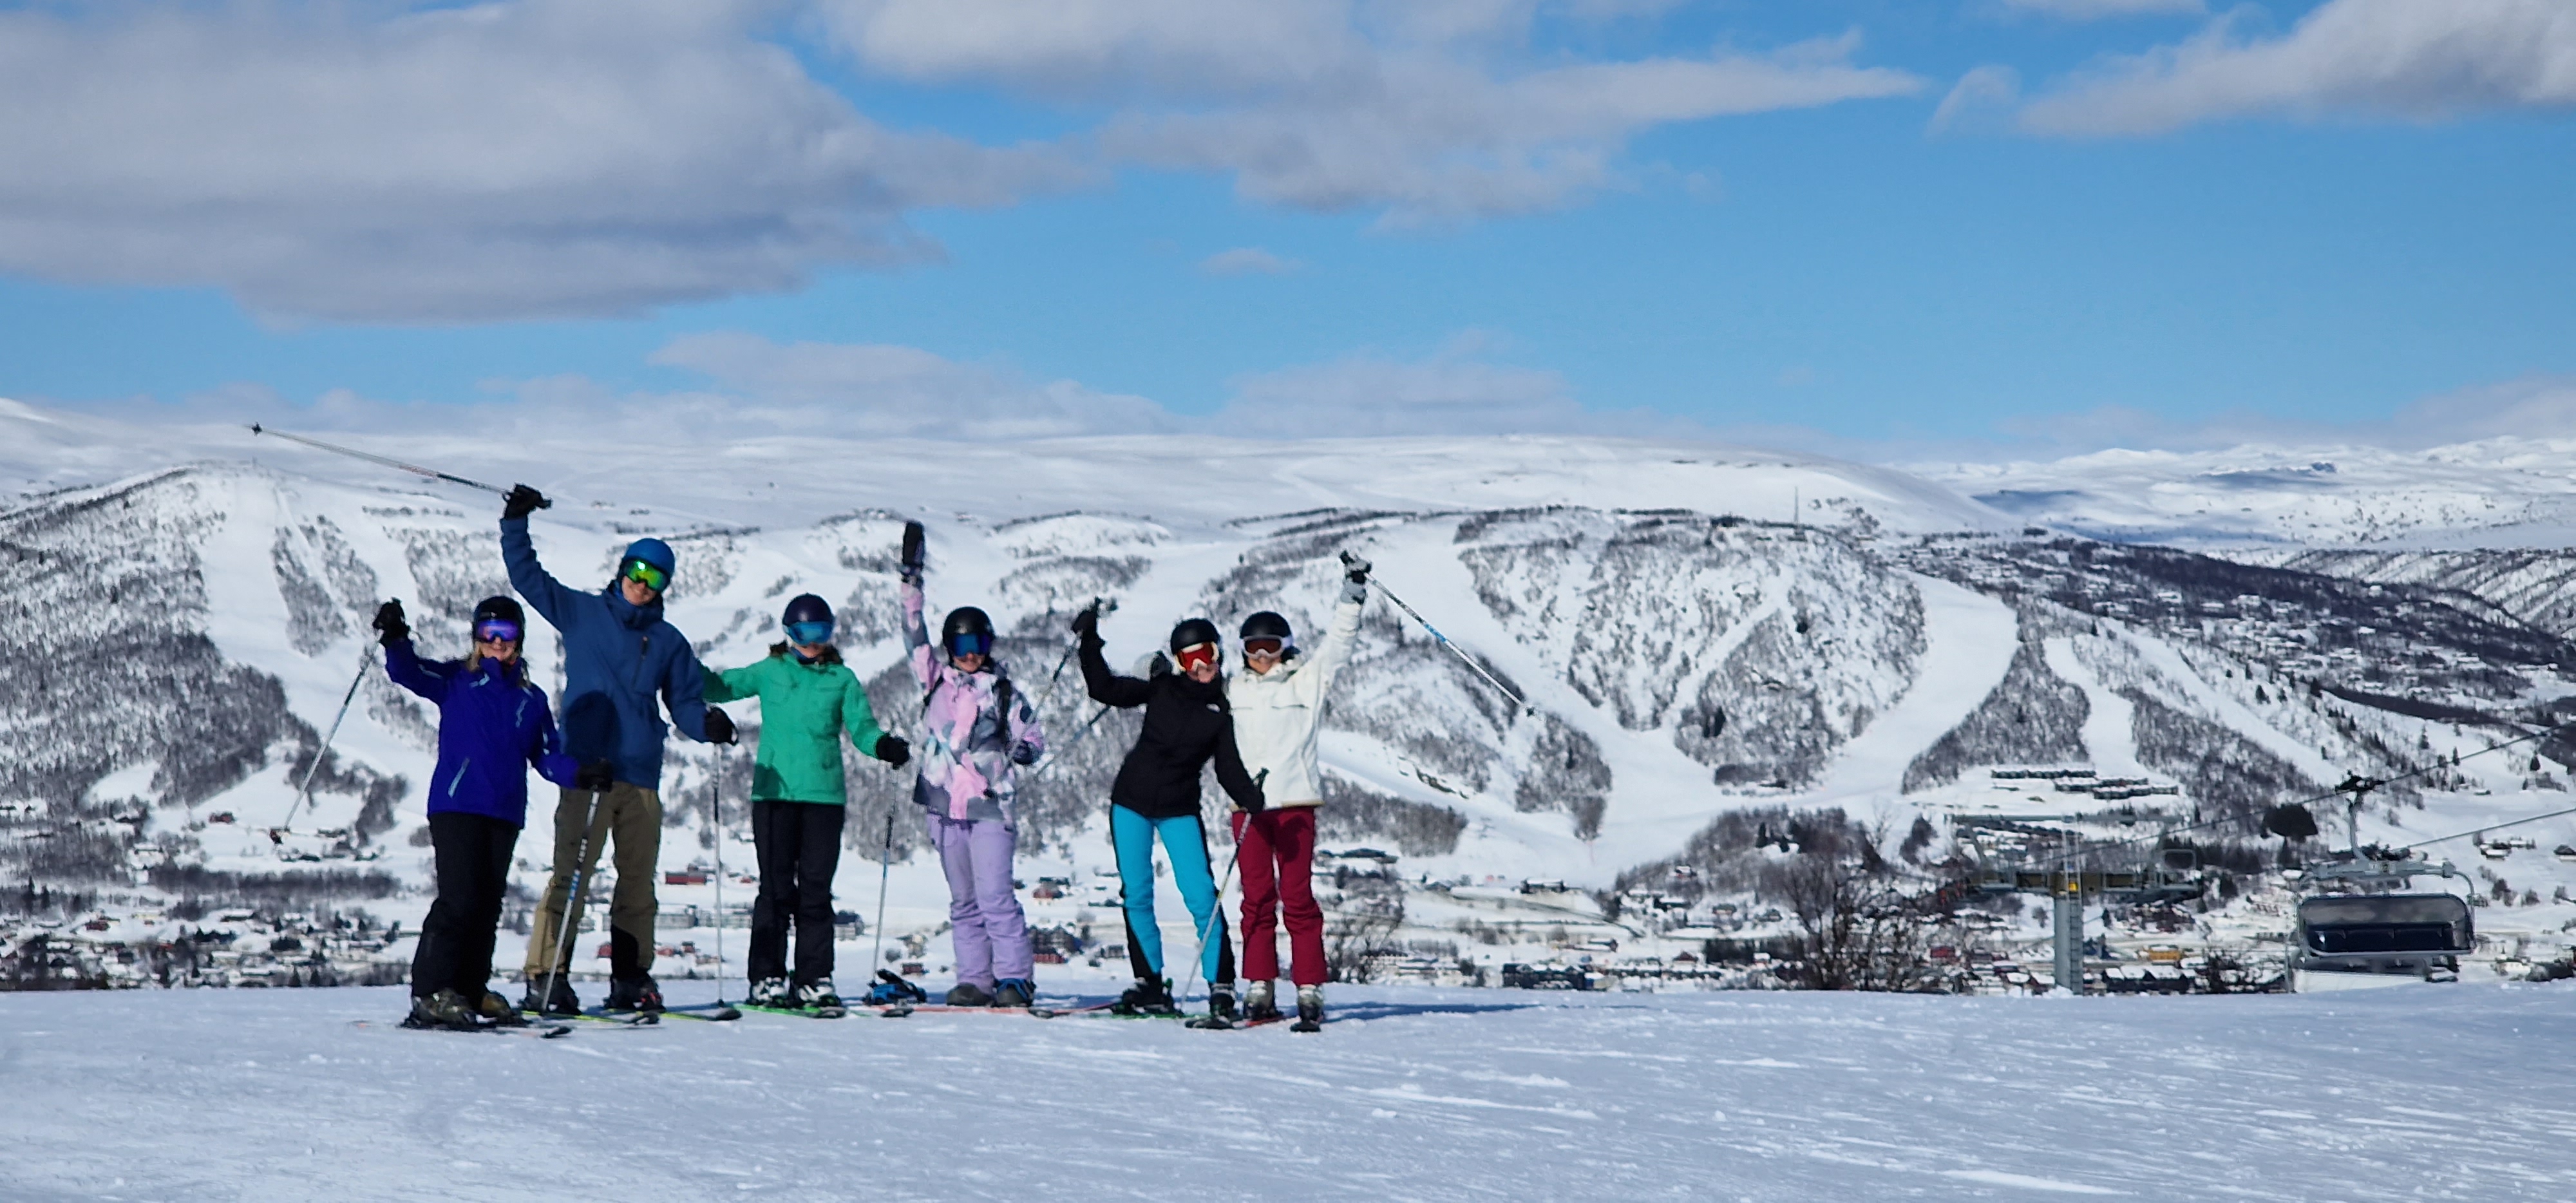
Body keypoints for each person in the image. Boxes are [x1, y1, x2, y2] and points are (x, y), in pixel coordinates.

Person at [498, 484, 732, 1016]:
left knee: (636, 886)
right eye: (638, 572)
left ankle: (632, 978)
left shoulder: (670, 642)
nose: (643, 585)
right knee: (572, 878)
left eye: (656, 578)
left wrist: (709, 726)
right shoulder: (582, 613)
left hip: (641, 777)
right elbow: (526, 577)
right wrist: (515, 522)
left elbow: (686, 704)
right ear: (623, 569)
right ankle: (546, 977)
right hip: (588, 772)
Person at [375, 594, 603, 1030]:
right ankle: (432, 992)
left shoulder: (530, 699)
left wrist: (583, 775)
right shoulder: (456, 681)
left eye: (507, 635)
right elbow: (407, 671)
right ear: (476, 637)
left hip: (504, 811)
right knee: (458, 901)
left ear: (520, 640)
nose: (498, 643)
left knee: (486, 906)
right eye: (489, 634)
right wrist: (396, 637)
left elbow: (547, 756)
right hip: (457, 805)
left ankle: (471, 987)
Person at [702, 594, 911, 1011]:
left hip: (823, 796)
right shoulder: (770, 671)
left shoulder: (842, 678)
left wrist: (884, 745)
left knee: (815, 891)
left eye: (820, 632)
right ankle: (767, 977)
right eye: (804, 633)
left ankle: (814, 977)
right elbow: (724, 686)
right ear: (789, 633)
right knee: (776, 889)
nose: (812, 641)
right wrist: (683, 670)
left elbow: (863, 729)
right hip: (774, 794)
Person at [1076, 605, 1267, 1018]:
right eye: (1189, 657)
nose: (1201, 665)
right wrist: (1089, 640)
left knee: (1201, 896)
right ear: (1179, 663)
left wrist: (1250, 796)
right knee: (1137, 894)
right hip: (1131, 802)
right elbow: (1103, 688)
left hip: (1180, 809)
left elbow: (1228, 768)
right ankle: (1150, 983)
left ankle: (1221, 984)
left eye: (1207, 654)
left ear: (1219, 655)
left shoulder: (1221, 711)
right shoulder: (1161, 688)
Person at [896, 522, 1048, 1007]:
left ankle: (1014, 978)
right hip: (943, 809)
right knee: (963, 902)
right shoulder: (934, 681)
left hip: (989, 809)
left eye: (978, 647)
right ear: (950, 650)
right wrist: (910, 580)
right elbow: (912, 631)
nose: (970, 657)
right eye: (962, 649)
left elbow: (1034, 737)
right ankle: (976, 979)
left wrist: (1023, 750)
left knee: (996, 898)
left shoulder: (1005, 693)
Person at [1226, 552, 1369, 1030]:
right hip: (1247, 808)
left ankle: (1309, 986)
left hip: (1294, 805)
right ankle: (1260, 983)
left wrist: (1352, 594)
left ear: (1285, 648)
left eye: (1269, 647)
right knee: (1256, 900)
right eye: (1252, 648)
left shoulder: (1309, 679)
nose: (1261, 658)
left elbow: (1339, 645)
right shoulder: (1234, 689)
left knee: (1298, 898)